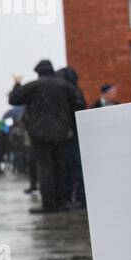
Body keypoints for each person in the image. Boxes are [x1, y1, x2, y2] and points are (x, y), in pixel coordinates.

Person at [8, 60, 84, 214]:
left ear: (38, 72)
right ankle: (61, 202)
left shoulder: (33, 86)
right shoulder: (64, 86)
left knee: (45, 169)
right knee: (60, 168)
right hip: (61, 133)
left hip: (39, 134)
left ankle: (49, 204)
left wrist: (17, 83)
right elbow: (79, 103)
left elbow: (13, 99)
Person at [57, 66, 86, 209]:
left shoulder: (68, 93)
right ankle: (77, 197)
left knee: (73, 167)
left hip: (70, 136)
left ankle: (76, 197)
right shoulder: (75, 91)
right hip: (75, 135)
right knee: (74, 167)